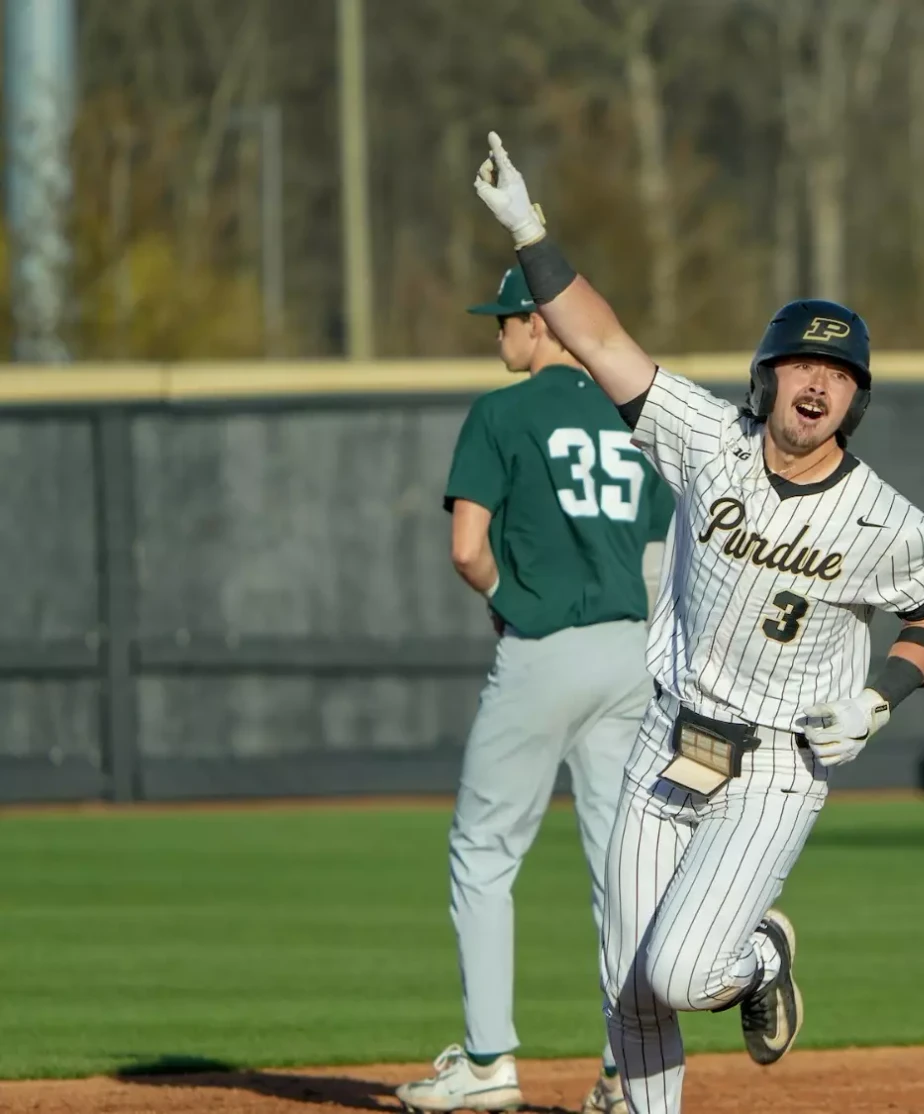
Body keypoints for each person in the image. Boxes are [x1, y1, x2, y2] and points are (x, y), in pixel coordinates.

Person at [472, 133, 924, 1114]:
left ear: (856, 402)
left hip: (781, 762)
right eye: (802, 368)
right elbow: (604, 340)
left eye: (841, 377)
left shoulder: (884, 519)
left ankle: (761, 953)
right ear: (767, 376)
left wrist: (880, 696)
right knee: (631, 975)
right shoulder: (708, 442)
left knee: (687, 972)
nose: (819, 386)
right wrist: (532, 232)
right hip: (671, 734)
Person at [395, 267, 673, 1114]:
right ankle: (631, 1074)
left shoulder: (501, 413)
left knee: (484, 853)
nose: (499, 335)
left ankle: (486, 1065)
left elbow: (467, 548)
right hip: (631, 649)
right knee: (620, 868)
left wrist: (504, 602)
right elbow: (662, 560)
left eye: (507, 320)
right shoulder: (636, 416)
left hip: (544, 644)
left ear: (541, 325)